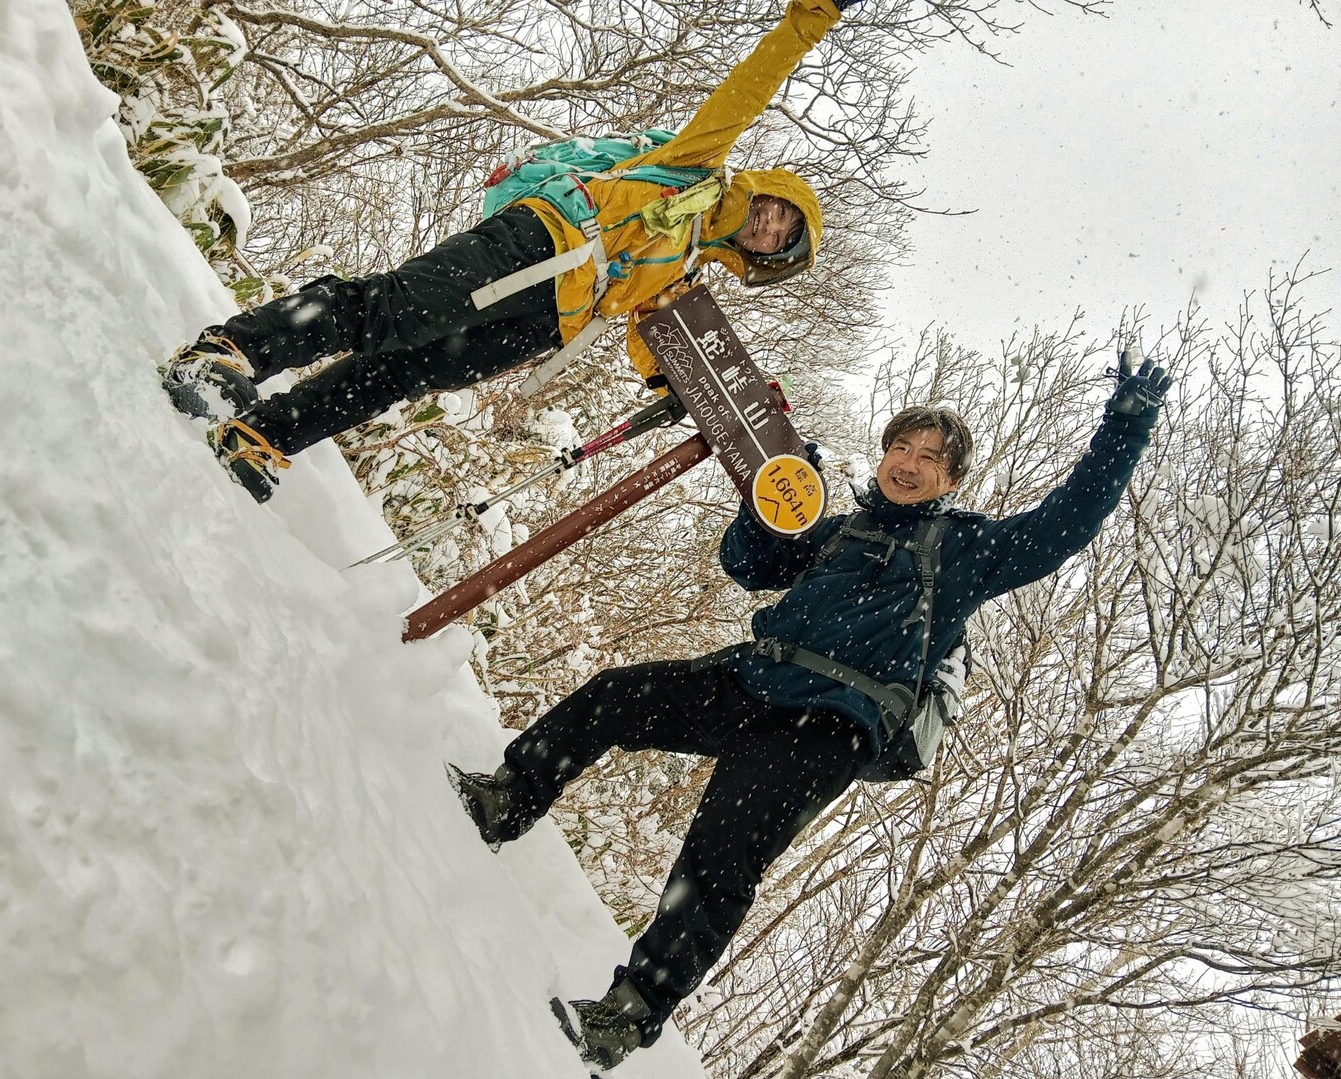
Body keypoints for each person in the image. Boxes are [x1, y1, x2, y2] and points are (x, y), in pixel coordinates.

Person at [447, 353, 1173, 1070]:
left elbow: (1067, 523)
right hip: (753, 677)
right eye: (901, 446)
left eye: (930, 457)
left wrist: (1123, 430)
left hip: (831, 723)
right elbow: (747, 566)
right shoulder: (840, 529)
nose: (909, 463)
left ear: (951, 481)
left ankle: (627, 1013)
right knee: (616, 694)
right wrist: (774, 496)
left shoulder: (966, 549)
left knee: (721, 852)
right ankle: (507, 799)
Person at [163, 0, 859, 501]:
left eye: (776, 239)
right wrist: (812, 17)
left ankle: (266, 434)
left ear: (764, 258)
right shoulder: (698, 166)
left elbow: (652, 334)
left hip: (547, 323)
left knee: (403, 372)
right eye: (775, 214)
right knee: (395, 308)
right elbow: (750, 87)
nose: (766, 228)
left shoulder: (686, 269)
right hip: (545, 240)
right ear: (765, 194)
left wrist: (673, 388)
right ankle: (232, 351)